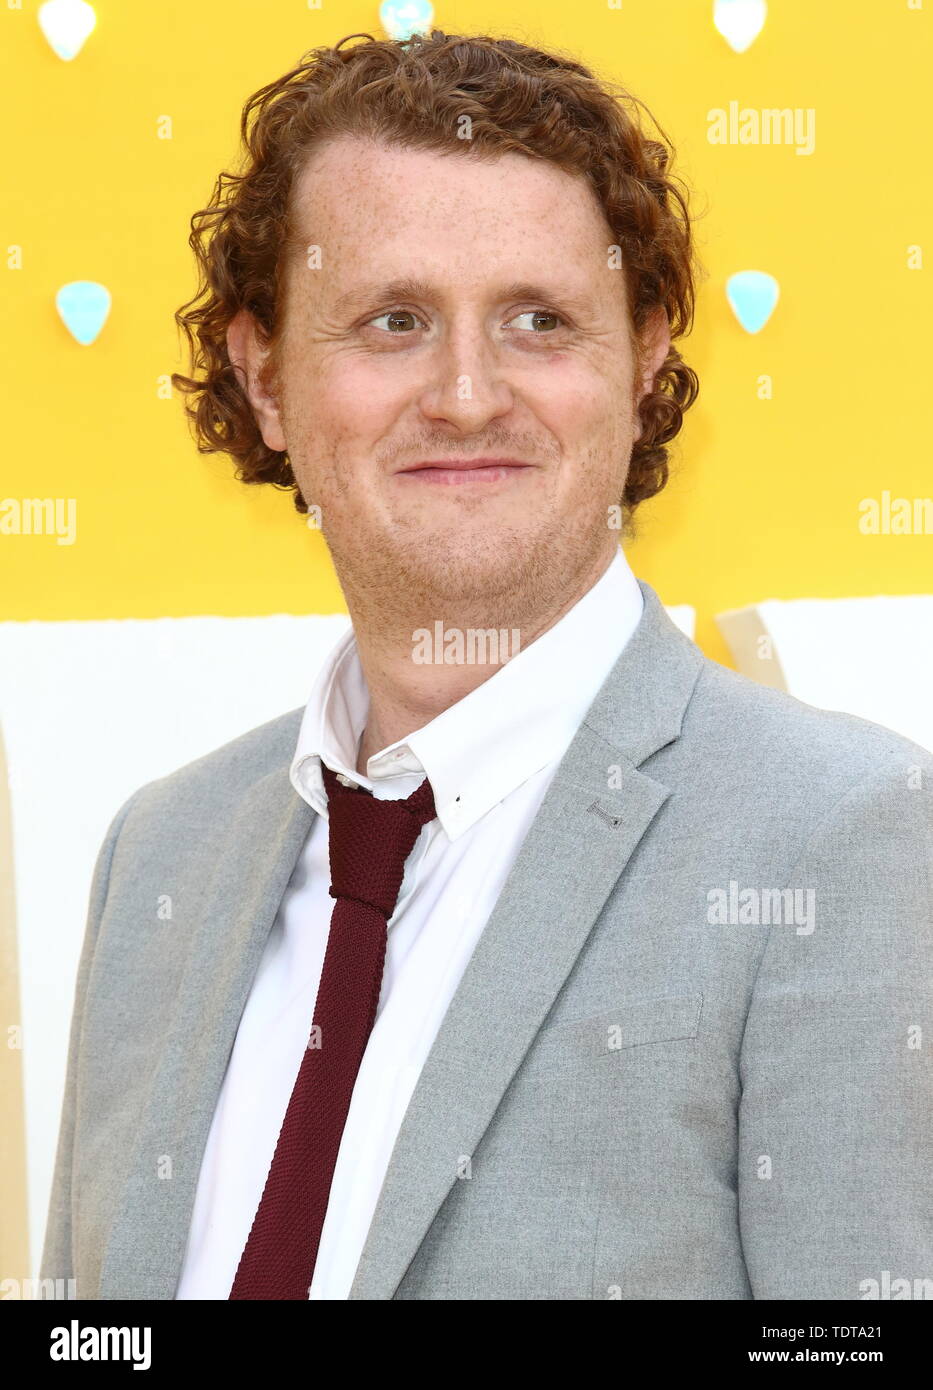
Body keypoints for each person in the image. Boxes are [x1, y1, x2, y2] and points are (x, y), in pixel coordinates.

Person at [41, 30, 932, 1300]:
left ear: (647, 361)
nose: (466, 394)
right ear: (265, 376)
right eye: (393, 320)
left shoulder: (847, 838)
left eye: (539, 320)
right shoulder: (156, 857)